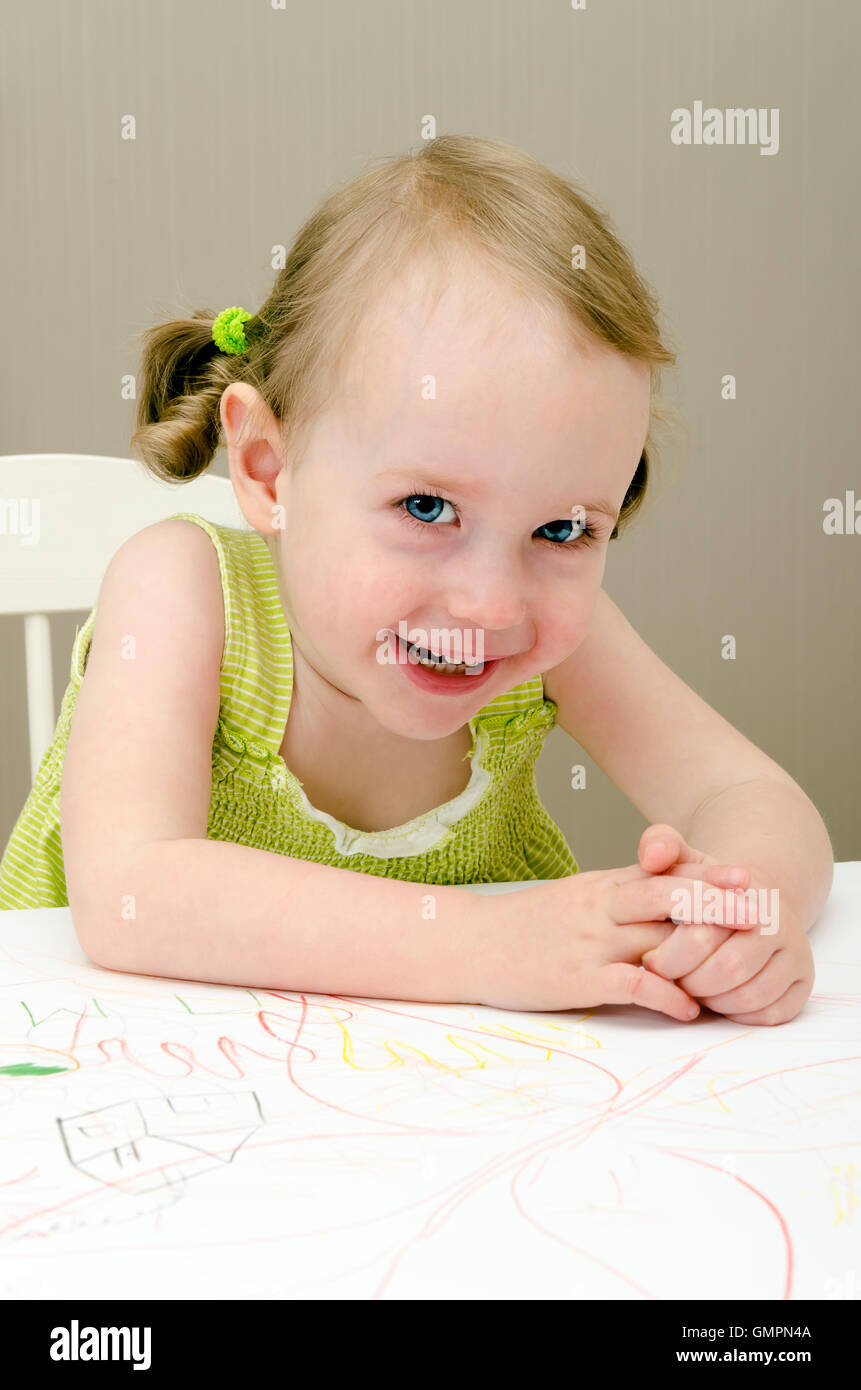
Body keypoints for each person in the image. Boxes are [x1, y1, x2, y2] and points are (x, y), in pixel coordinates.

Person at [0, 135, 831, 1024]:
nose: (492, 605)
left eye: (561, 529)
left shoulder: (554, 636)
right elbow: (134, 892)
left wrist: (740, 910)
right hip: (127, 1078)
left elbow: (745, 796)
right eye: (428, 509)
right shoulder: (181, 590)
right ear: (269, 467)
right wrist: (485, 944)